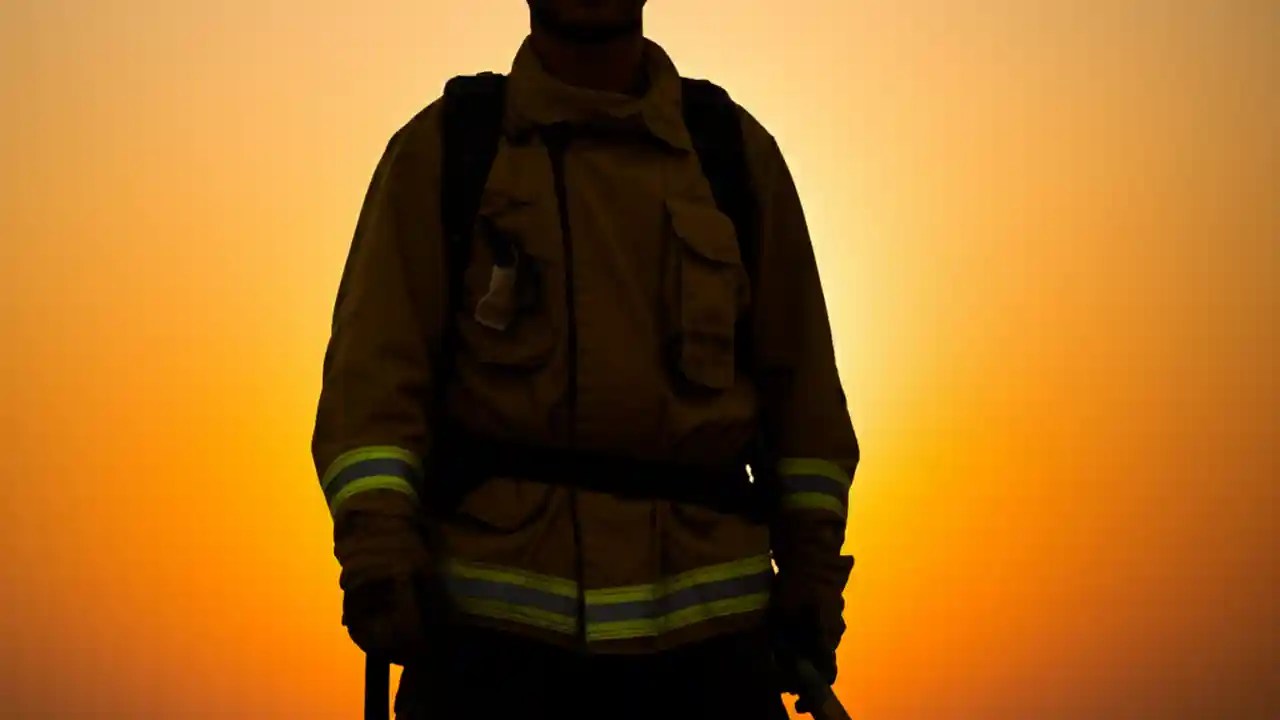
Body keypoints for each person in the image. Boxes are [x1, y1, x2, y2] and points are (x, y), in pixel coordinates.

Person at [311, 1, 860, 717]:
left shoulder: (733, 157)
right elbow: (372, 394)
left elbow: (807, 407)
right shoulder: (446, 152)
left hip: (710, 663)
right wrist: (378, 552)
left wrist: (813, 573)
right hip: (492, 661)